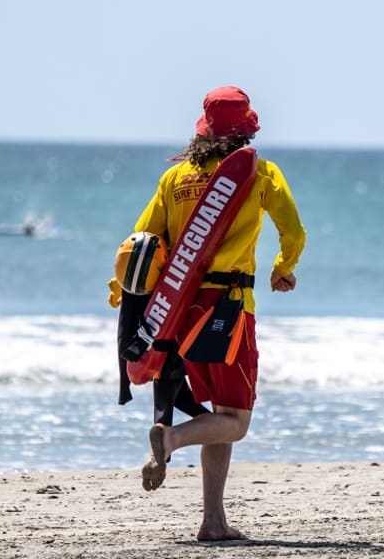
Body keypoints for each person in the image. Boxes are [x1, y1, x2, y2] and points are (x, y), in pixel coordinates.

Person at [131, 85, 305, 541]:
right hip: (228, 312)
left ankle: (213, 522)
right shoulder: (260, 174)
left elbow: (143, 243)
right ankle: (168, 439)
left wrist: (124, 298)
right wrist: (283, 269)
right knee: (237, 422)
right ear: (244, 132)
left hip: (181, 314)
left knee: (218, 415)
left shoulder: (175, 179)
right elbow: (294, 230)